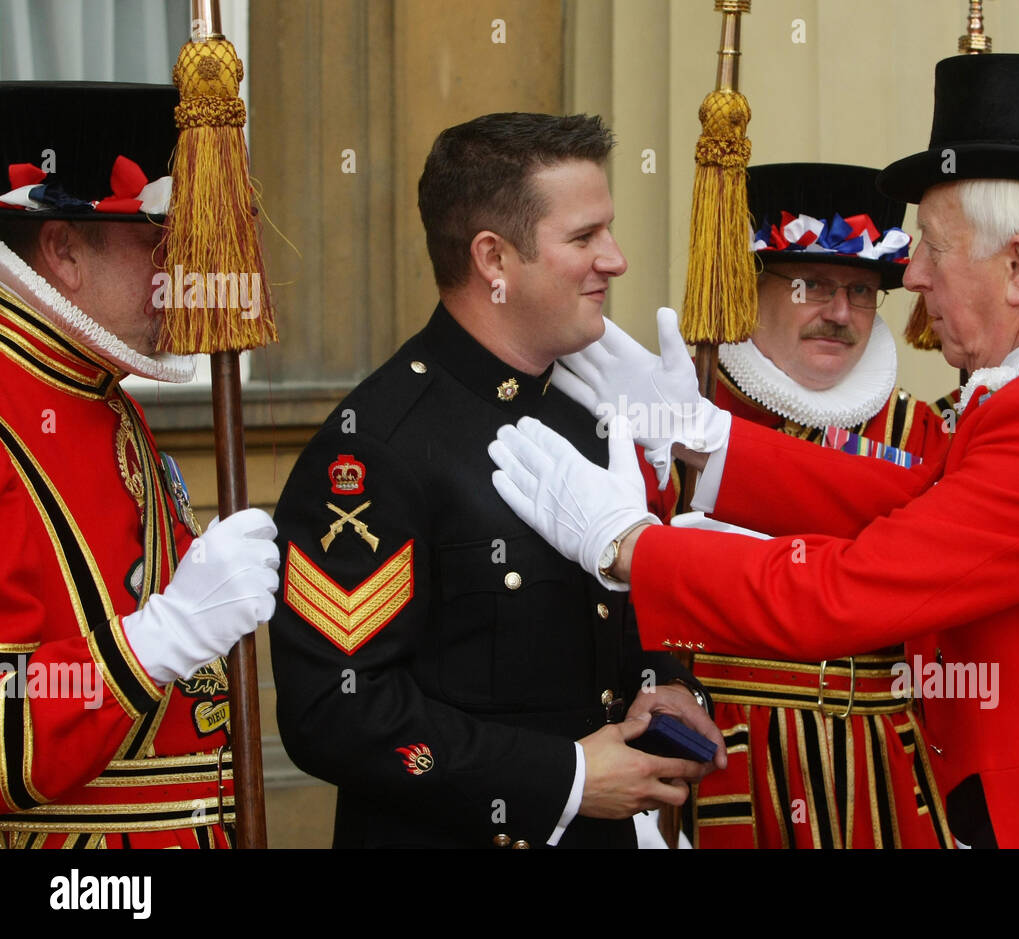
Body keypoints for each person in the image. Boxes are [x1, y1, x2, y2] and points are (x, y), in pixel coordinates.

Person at [489, 54, 1019, 847]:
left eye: (933, 246)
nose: (912, 274)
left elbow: (842, 592)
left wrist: (626, 545)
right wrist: (707, 444)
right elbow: (930, 501)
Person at [269, 112, 723, 849]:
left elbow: (605, 627)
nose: (616, 259)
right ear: (494, 259)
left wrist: (663, 686)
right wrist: (563, 775)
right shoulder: (375, 449)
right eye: (584, 237)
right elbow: (336, 710)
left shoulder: (586, 414)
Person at [0, 82, 278, 848]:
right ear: (62, 249)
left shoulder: (99, 391)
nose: (182, 265)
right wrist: (158, 640)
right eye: (158, 235)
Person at [677, 162, 951, 848]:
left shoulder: (921, 433)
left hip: (881, 770)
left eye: (861, 292)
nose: (839, 313)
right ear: (750, 285)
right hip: (723, 762)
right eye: (813, 286)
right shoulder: (684, 416)